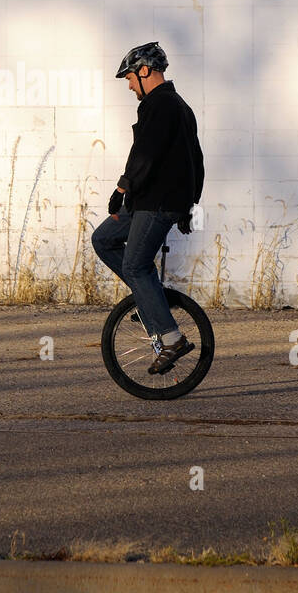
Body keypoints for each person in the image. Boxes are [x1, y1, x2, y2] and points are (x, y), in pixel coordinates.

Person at [91, 42, 205, 374]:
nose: (128, 85)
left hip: (156, 203)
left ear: (145, 71)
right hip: (148, 201)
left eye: (129, 77)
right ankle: (149, 300)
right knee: (104, 240)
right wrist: (189, 202)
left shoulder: (162, 105)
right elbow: (195, 159)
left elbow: (145, 154)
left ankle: (171, 339)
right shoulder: (173, 105)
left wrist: (121, 187)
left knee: (137, 266)